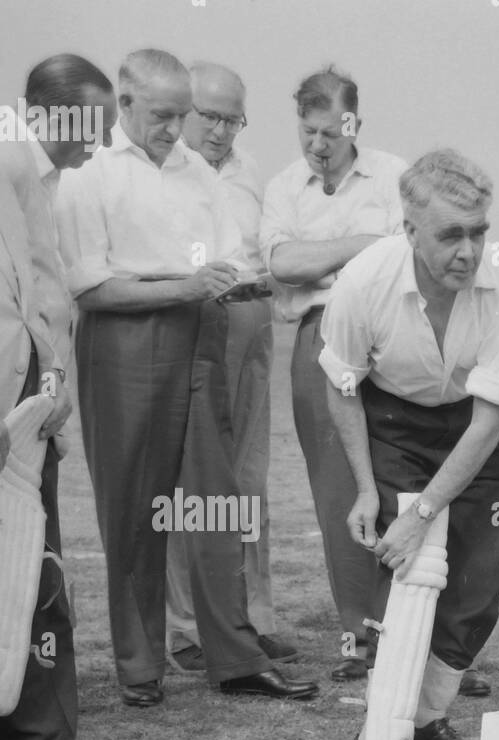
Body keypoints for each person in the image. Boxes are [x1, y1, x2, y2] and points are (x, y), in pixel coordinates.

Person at [55, 48, 318, 707]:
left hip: (201, 327)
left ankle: (235, 657)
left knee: (214, 499)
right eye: (163, 116)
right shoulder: (89, 175)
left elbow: (234, 253)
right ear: (124, 106)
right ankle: (141, 669)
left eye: (181, 117)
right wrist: (183, 282)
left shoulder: (195, 169)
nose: (174, 130)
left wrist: (218, 281)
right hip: (123, 339)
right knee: (135, 508)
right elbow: (89, 288)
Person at [319, 148, 499, 740]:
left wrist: (423, 510)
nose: (468, 251)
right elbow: (342, 384)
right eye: (450, 235)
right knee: (413, 570)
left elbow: (489, 422)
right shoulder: (364, 280)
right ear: (409, 231)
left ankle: (428, 718)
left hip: (473, 423)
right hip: (392, 420)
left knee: (482, 579)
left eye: (478, 232)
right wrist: (366, 489)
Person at [260, 66, 406, 681]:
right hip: (316, 336)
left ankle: (410, 636)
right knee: (338, 490)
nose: (317, 145)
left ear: (354, 124)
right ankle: (359, 639)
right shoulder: (284, 187)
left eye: (329, 132)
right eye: (307, 131)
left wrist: (327, 257)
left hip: (389, 336)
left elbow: (404, 257)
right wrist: (356, 246)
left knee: (400, 482)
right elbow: (283, 266)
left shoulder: (396, 175)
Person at [165, 61, 296, 673]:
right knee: (189, 483)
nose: (221, 131)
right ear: (184, 112)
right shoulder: (160, 170)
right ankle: (188, 628)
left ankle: (254, 618)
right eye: (210, 117)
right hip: (191, 326)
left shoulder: (252, 176)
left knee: (248, 480)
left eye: (232, 119)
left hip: (252, 324)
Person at [0, 158, 122, 740]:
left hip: (21, 408)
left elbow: (43, 281)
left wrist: (51, 381)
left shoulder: (9, 154)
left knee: (35, 578)